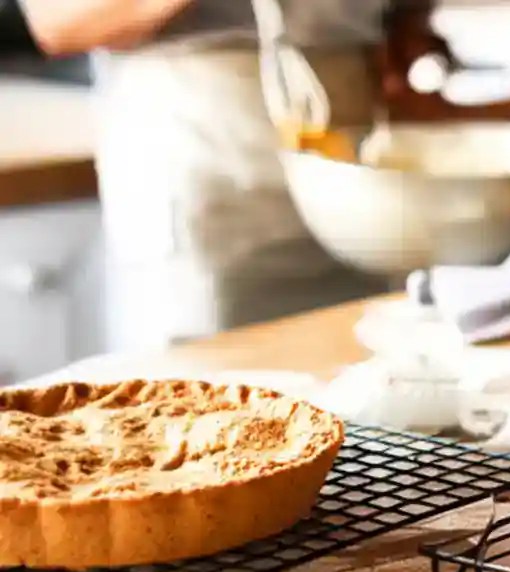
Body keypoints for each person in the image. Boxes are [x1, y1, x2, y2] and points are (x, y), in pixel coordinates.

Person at [10, 1, 432, 351]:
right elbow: (58, 20)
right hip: (208, 149)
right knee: (210, 403)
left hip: (355, 167)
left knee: (358, 385)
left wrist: (403, 27)